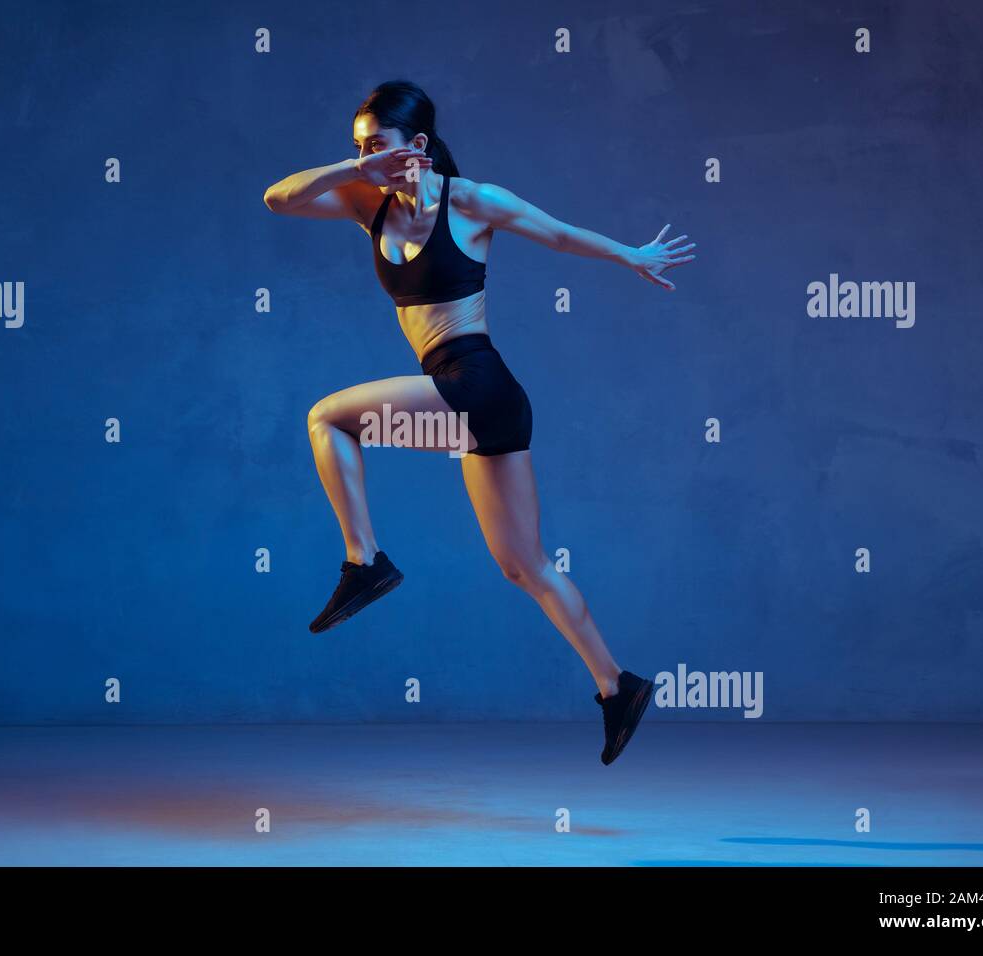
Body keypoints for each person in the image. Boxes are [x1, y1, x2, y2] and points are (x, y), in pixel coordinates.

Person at [263, 80, 696, 764]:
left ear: (420, 146)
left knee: (327, 419)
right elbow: (278, 198)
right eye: (357, 146)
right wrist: (355, 169)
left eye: (377, 145)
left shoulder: (468, 203)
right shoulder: (364, 204)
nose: (365, 156)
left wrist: (632, 255)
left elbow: (556, 233)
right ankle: (618, 685)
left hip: (479, 388)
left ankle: (365, 562)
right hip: (467, 407)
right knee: (524, 567)